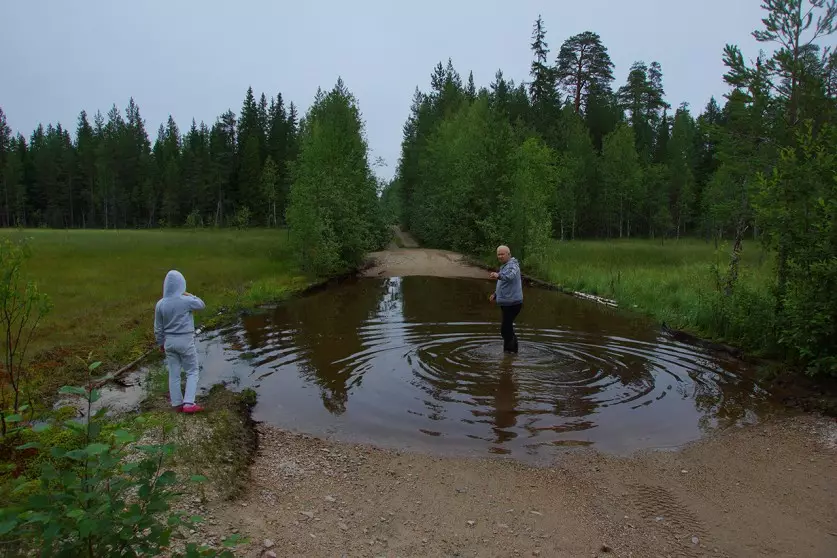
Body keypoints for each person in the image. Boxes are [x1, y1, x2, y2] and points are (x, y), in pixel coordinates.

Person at [154, 270, 206, 413]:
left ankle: (177, 404)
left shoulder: (160, 304)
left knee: (174, 373)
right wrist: (189, 294)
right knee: (192, 371)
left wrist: (160, 343)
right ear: (181, 285)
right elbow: (201, 304)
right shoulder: (186, 301)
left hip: (169, 342)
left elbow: (158, 328)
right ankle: (189, 403)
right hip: (185, 340)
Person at [488, 245, 523, 353]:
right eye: (498, 254)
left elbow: (510, 276)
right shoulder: (505, 265)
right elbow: (505, 284)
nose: (500, 256)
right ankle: (510, 352)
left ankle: (511, 353)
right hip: (506, 302)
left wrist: (498, 275)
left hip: (512, 303)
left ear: (509, 254)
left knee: (505, 329)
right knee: (507, 329)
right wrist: (495, 294)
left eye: (502, 254)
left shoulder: (512, 265)